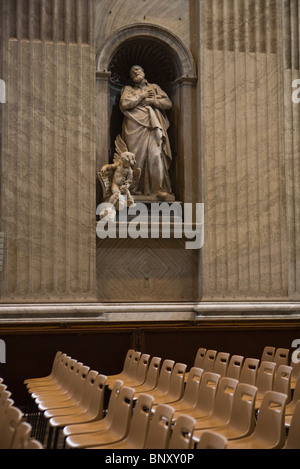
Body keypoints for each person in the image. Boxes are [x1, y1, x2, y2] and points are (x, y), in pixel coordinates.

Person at [119, 65, 173, 199]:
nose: (136, 72)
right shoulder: (128, 89)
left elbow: (168, 103)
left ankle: (157, 188)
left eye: (138, 69)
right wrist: (141, 96)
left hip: (153, 124)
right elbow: (124, 104)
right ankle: (132, 188)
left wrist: (152, 101)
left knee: (156, 155)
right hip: (134, 125)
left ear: (144, 72)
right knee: (135, 158)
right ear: (130, 77)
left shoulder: (154, 87)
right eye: (132, 71)